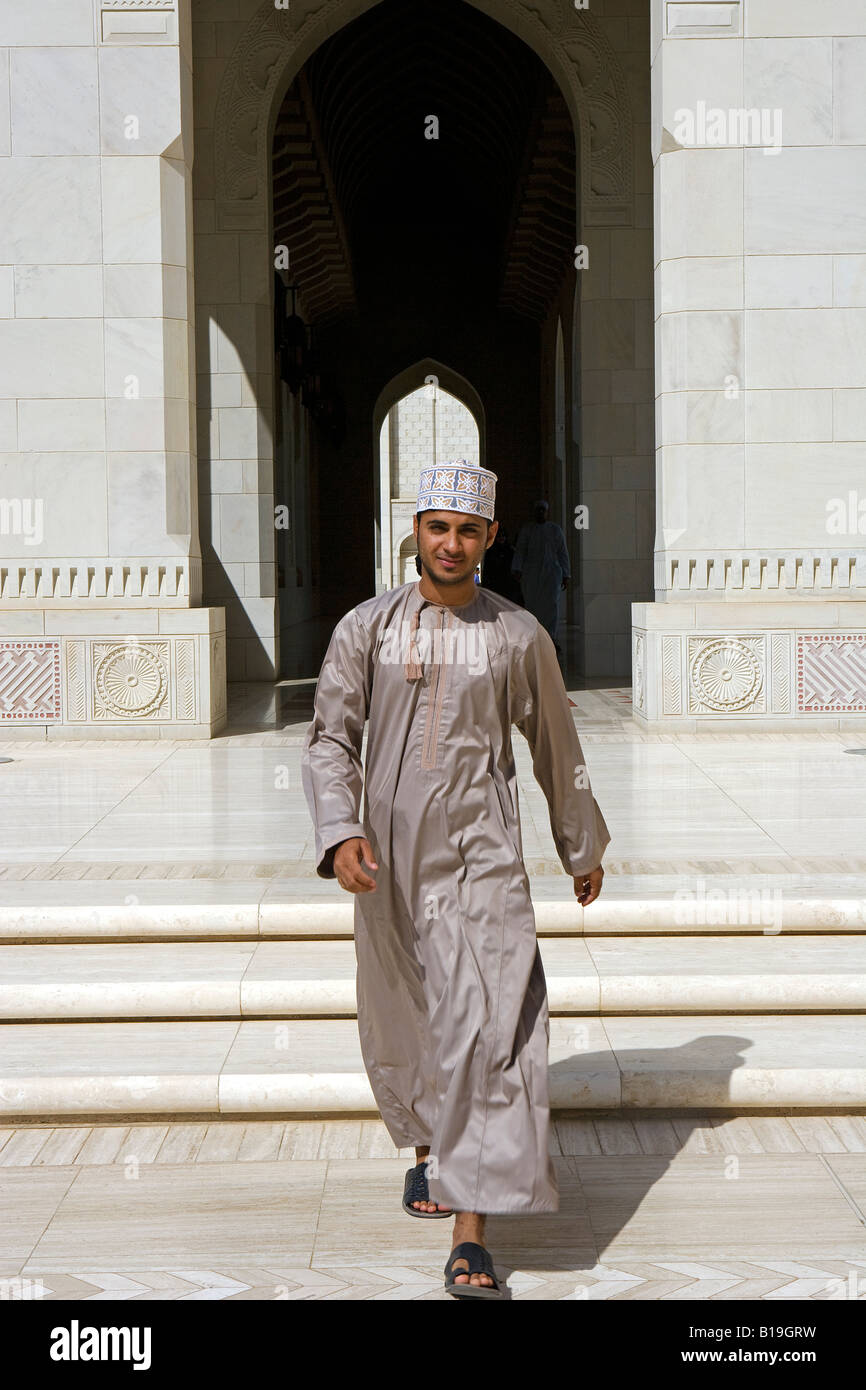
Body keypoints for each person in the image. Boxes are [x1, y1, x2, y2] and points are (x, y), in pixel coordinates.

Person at [301, 460, 609, 1300]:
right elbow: (331, 739)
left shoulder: (518, 635)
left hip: (483, 860)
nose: (451, 543)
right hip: (388, 864)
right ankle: (429, 1150)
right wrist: (341, 833)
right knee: (404, 1014)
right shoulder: (365, 628)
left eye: (468, 530)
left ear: (490, 539)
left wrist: (580, 842)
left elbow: (557, 747)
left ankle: (472, 1231)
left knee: (491, 1024)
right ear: (416, 530)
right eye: (438, 526)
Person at [511, 499, 571, 656]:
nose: (540, 513)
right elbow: (520, 551)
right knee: (532, 606)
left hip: (552, 575)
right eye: (538, 510)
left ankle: (551, 638)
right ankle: (534, 637)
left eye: (542, 510)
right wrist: (517, 568)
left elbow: (562, 553)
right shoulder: (527, 530)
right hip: (531, 575)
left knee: (551, 607)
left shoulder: (555, 530)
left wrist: (566, 574)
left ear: (546, 512)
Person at [480, 524, 523, 604]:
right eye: (499, 536)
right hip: (494, 585)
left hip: (508, 586)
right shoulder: (491, 551)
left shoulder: (510, 551)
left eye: (503, 536)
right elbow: (487, 570)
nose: (501, 538)